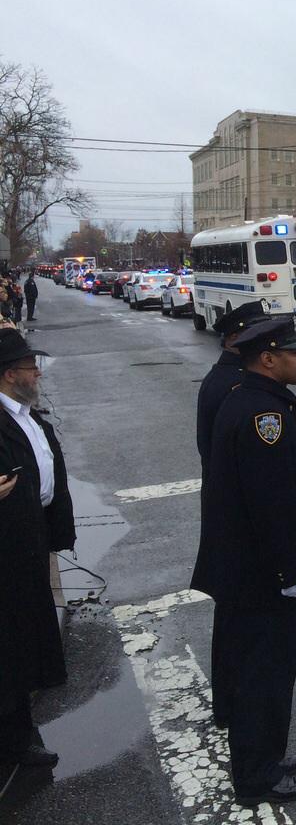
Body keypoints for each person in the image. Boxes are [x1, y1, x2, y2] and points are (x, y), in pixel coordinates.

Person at [192, 318, 296, 806]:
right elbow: (272, 505)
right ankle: (257, 775)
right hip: (264, 577)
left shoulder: (252, 400)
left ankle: (267, 753)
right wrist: (290, 573)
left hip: (250, 571)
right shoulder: (262, 417)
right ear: (268, 359)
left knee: (262, 671)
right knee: (263, 675)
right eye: (294, 352)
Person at [192, 300, 270, 730]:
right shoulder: (232, 385)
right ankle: (236, 707)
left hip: (228, 517)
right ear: (237, 337)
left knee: (234, 621)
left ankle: (229, 703)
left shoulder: (228, 377)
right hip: (237, 523)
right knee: (241, 624)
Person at [0, 329, 75, 768]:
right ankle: (15, 742)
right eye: (31, 368)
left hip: (31, 542)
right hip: (7, 553)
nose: (38, 374)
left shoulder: (29, 414)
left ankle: (19, 734)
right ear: (11, 375)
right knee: (9, 650)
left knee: (24, 645)